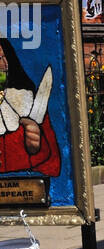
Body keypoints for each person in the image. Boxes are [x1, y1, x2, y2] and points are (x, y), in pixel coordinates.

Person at [0, 39, 60, 177]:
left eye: (4, 57)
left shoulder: (28, 101)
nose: (3, 65)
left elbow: (52, 164)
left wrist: (37, 146)